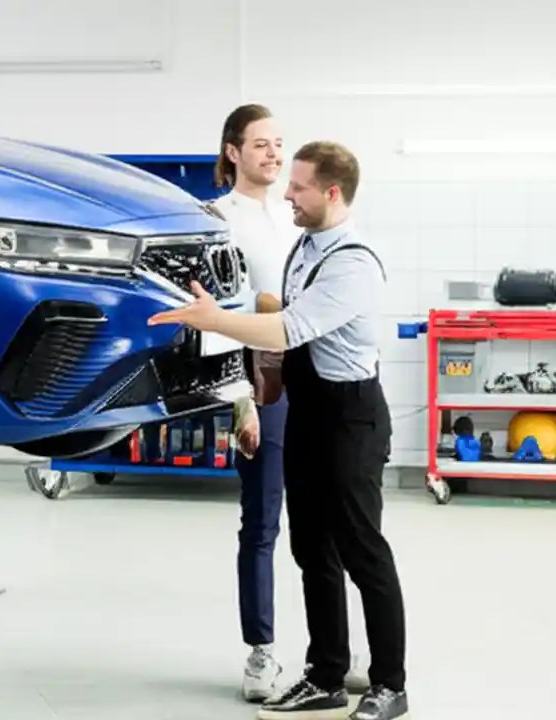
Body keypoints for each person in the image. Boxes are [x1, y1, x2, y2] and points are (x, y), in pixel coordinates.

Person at [150, 141, 408, 720]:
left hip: (352, 418)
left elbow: (290, 328)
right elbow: (279, 307)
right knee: (311, 547)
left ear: (332, 193)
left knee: (363, 551)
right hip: (309, 411)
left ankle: (390, 683)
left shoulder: (353, 261)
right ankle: (326, 675)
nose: (288, 194)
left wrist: (216, 321)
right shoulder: (305, 246)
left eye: (300, 186)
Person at [206, 103, 291, 703]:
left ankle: (332, 651)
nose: (273, 154)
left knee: (328, 523)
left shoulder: (295, 218)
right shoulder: (218, 220)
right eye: (261, 144)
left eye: (279, 144)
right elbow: (217, 319)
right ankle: (261, 653)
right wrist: (241, 400)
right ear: (233, 151)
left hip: (318, 382)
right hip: (262, 382)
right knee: (261, 523)